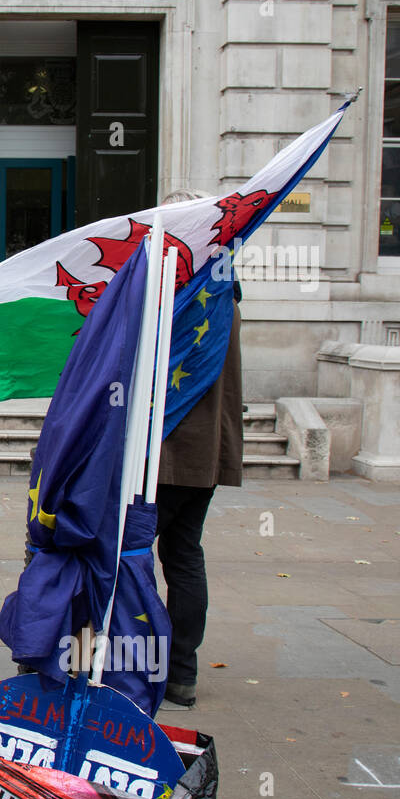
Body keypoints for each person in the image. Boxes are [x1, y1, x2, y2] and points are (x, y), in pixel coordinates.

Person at [155, 189, 244, 710]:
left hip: (166, 451)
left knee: (127, 558)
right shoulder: (224, 286)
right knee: (184, 554)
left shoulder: (180, 290)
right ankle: (181, 674)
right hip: (206, 452)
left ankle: (135, 665)